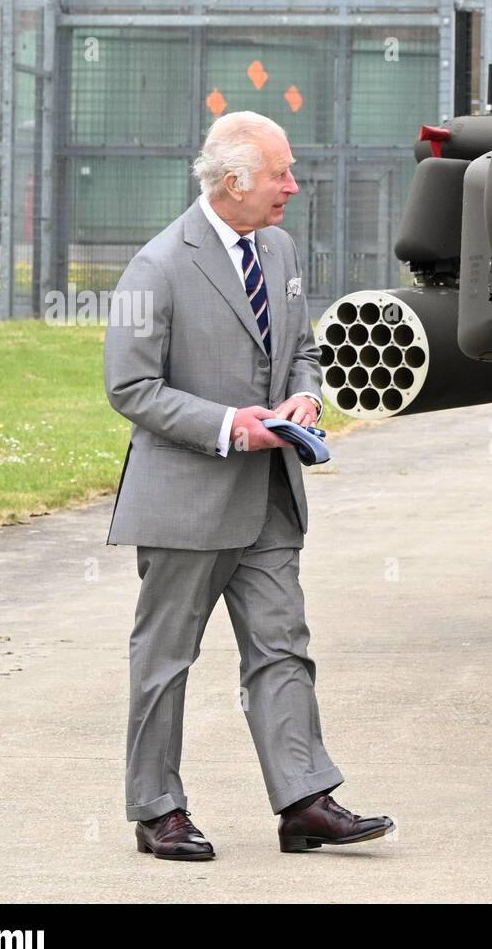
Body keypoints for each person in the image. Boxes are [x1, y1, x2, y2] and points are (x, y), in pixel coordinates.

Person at [103, 110, 393, 859]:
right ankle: (156, 808)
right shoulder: (157, 266)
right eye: (280, 175)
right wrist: (234, 423)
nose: (293, 187)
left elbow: (302, 346)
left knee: (283, 647)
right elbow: (130, 387)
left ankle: (304, 800)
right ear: (234, 181)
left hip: (269, 496)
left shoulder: (280, 246)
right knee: (166, 660)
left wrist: (305, 396)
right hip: (187, 502)